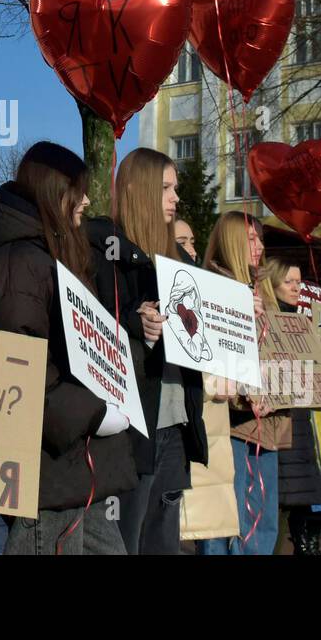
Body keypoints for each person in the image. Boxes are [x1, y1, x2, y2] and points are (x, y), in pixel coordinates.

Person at [0, 141, 137, 554]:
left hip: (77, 464)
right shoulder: (20, 263)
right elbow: (21, 371)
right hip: (47, 470)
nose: (86, 200)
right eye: (77, 190)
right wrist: (95, 412)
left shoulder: (50, 254)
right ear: (53, 191)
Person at [85, 148, 207, 554]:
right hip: (130, 432)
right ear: (137, 191)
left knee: (163, 543)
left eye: (176, 189)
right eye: (166, 188)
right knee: (126, 541)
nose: (175, 198)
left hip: (175, 424)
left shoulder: (180, 263)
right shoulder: (105, 254)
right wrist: (135, 324)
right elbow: (88, 328)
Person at [194, 211, 284, 556]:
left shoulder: (263, 289)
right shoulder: (210, 288)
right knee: (222, 520)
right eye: (251, 239)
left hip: (267, 423)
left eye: (260, 239)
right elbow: (206, 357)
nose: (259, 246)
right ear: (231, 241)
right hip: (228, 424)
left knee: (262, 521)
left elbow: (279, 352)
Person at [263, 258, 321, 555]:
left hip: (298, 424)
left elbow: (312, 382)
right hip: (277, 425)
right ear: (273, 283)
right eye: (289, 281)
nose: (296, 288)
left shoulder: (303, 321)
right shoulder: (268, 318)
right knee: (274, 508)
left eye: (299, 282)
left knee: (294, 503)